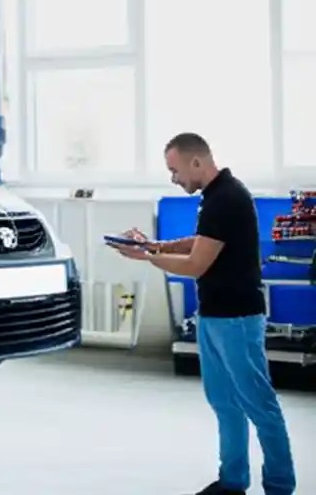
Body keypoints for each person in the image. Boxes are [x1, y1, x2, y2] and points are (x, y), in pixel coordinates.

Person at [107, 133, 296, 495]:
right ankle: (233, 482)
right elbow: (201, 241)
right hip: (214, 317)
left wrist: (146, 258)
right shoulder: (214, 197)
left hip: (237, 319)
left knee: (259, 404)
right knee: (225, 404)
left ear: (197, 162)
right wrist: (155, 245)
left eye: (175, 170)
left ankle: (280, 486)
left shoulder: (227, 198)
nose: (173, 179)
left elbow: (196, 264)